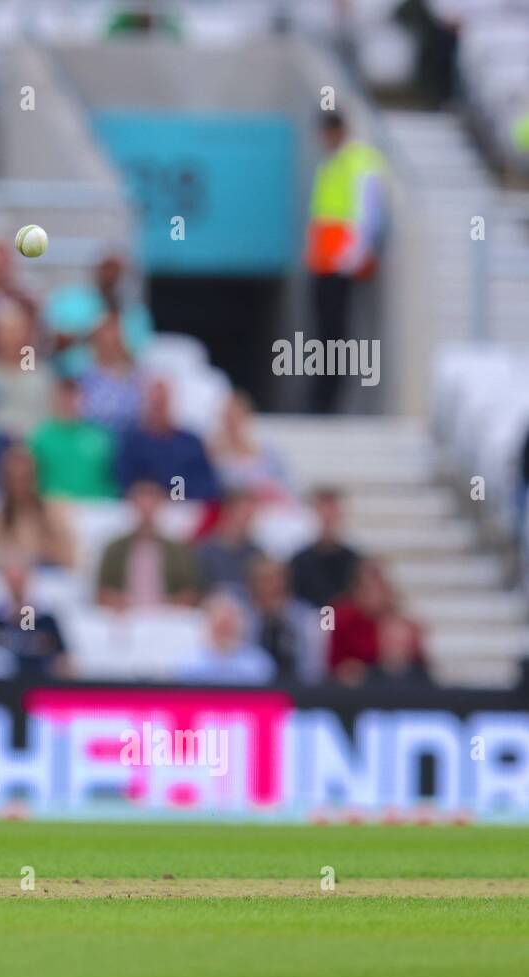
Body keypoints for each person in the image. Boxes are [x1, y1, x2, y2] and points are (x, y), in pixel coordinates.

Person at [304, 111, 387, 414]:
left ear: (338, 131)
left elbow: (369, 213)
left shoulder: (359, 162)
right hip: (323, 264)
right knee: (322, 333)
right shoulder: (331, 163)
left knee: (334, 335)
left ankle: (329, 400)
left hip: (341, 266)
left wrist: (353, 256)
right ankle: (320, 396)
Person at [96, 480, 200, 609]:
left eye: (152, 499)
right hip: (125, 619)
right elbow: (102, 592)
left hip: (169, 620)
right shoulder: (115, 549)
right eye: (141, 499)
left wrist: (164, 605)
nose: (146, 506)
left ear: (161, 504)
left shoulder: (177, 550)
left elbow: (191, 594)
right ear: (132, 503)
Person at [289, 487, 360, 609]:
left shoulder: (355, 562)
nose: (327, 518)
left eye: (331, 511)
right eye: (322, 510)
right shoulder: (298, 562)